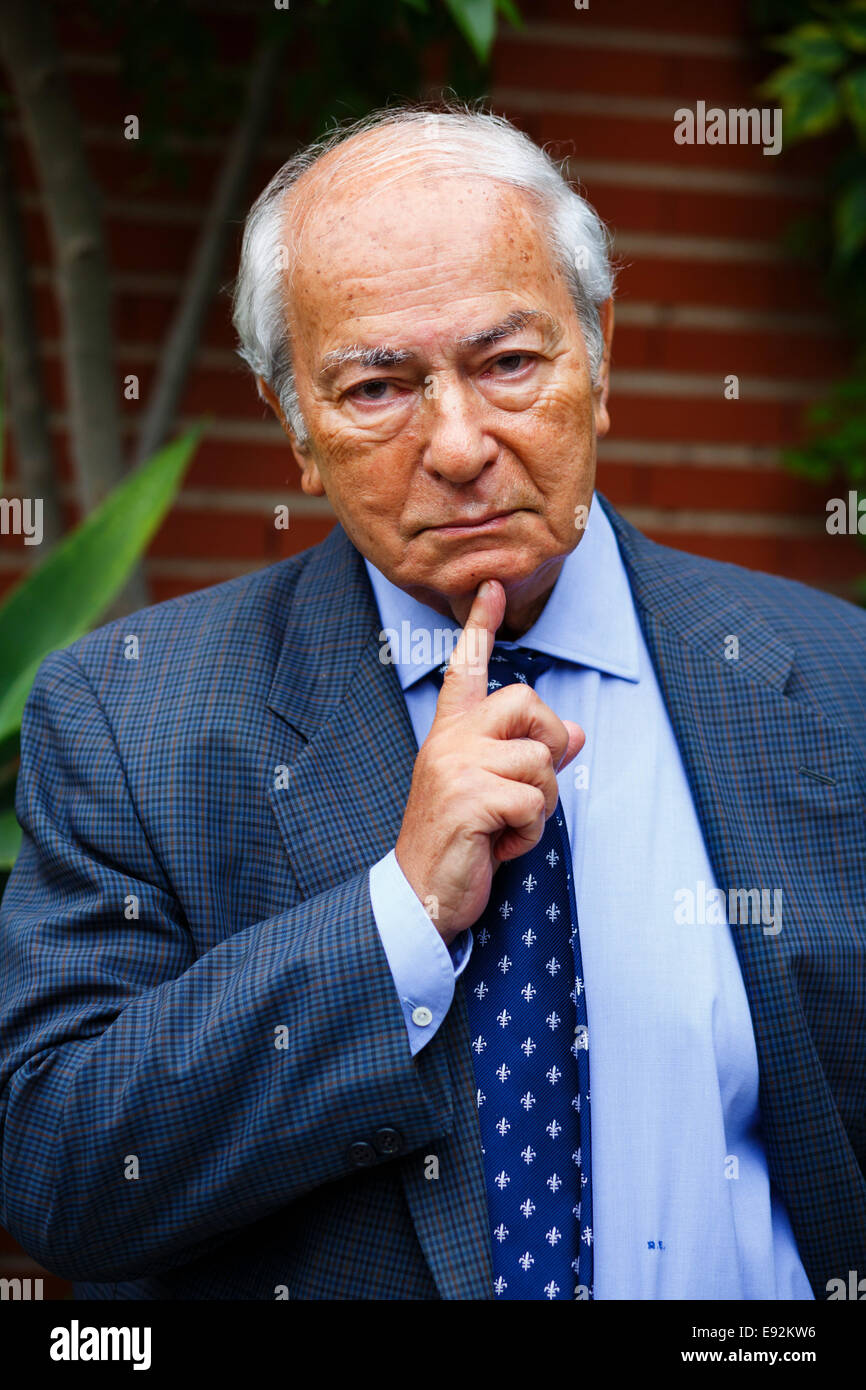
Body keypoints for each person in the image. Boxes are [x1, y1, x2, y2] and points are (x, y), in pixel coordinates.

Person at [1, 103, 864, 1301]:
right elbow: (62, 1175)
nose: (458, 444)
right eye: (376, 387)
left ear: (597, 355)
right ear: (294, 429)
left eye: (508, 363)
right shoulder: (127, 721)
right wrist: (394, 916)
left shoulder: (835, 682)